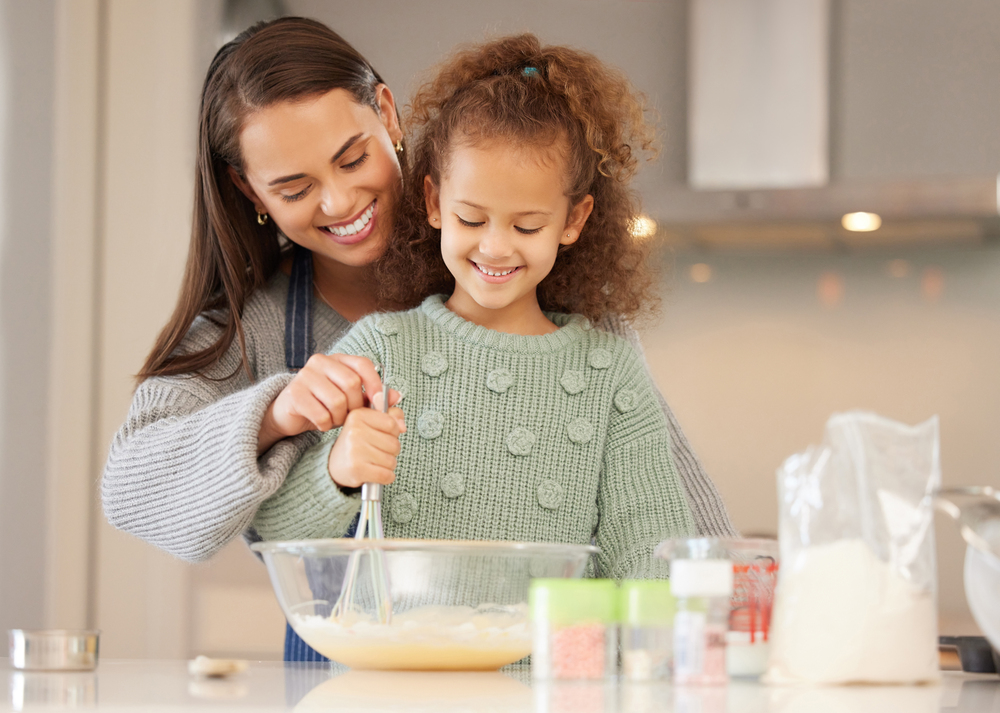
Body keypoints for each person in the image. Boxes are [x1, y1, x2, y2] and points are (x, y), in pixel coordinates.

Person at [101, 15, 733, 616]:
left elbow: (668, 525)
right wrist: (278, 412)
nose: (341, 199)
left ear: (386, 113)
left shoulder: (564, 312)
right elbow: (130, 487)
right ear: (250, 191)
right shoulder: (258, 327)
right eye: (294, 188)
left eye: (352, 160)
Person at [254, 33, 699, 586]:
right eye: (471, 219)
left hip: (554, 674)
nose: (495, 247)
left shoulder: (609, 374)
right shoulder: (377, 350)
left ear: (574, 221)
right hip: (400, 672)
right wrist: (337, 474)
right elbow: (275, 534)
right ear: (435, 202)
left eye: (527, 226)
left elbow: (651, 558)